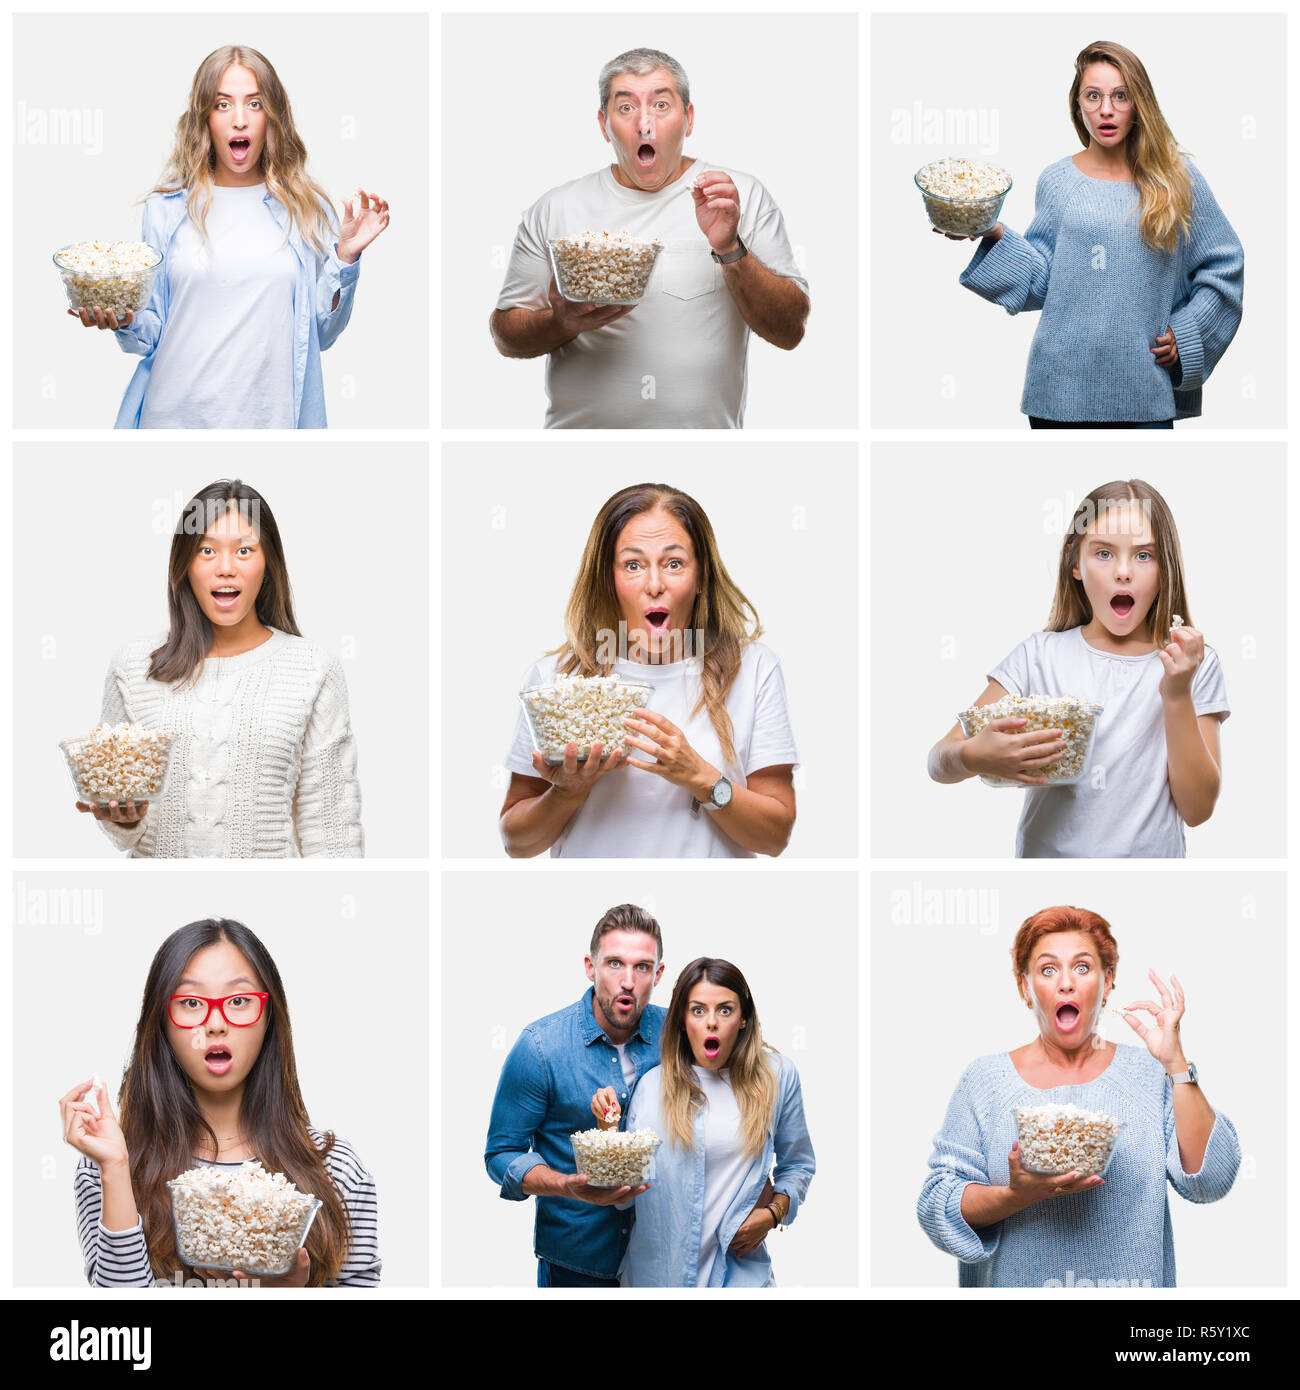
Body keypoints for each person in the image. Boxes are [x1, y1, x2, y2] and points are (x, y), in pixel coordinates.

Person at [67, 44, 390, 428]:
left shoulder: (304, 208)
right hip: (173, 420)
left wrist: (345, 256)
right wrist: (121, 318)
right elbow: (152, 331)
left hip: (270, 422)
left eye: (254, 104)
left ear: (273, 116)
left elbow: (319, 333)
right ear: (205, 118)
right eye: (223, 104)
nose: (239, 120)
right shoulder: (167, 208)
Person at [918, 906, 1239, 1287]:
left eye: (1083, 967)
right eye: (1047, 969)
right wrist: (1016, 1195)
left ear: (1108, 980)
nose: (1066, 983)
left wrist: (1175, 1063)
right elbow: (937, 1207)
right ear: (1025, 986)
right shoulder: (985, 1080)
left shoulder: (1153, 1074)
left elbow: (1210, 1182)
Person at [490, 46, 809, 428]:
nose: (644, 124)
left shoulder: (739, 196)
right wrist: (562, 322)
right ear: (603, 123)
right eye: (625, 108)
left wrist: (729, 248)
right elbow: (506, 336)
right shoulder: (555, 208)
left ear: (688, 119)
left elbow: (790, 330)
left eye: (661, 105)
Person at [59, 917, 381, 1287]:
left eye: (240, 1000)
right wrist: (115, 1167)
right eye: (192, 1002)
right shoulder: (108, 1165)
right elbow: (124, 1340)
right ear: (161, 1020)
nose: (215, 1024)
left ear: (269, 1018)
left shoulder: (335, 1168)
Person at [942, 40, 1242, 426]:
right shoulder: (1057, 180)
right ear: (1077, 104)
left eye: (1121, 96)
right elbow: (1043, 282)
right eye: (1093, 96)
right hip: (1058, 390)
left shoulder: (1176, 178)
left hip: (1143, 389)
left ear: (1140, 103)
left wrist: (1189, 331)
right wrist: (993, 230)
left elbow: (1225, 262)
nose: (1106, 109)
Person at [926, 478, 1227, 857]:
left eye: (1143, 555)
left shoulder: (1194, 662)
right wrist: (971, 756)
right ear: (1075, 563)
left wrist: (1178, 692)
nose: (1123, 572)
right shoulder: (1039, 655)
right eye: (1103, 553)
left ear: (1165, 569)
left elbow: (1198, 810)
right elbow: (939, 760)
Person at [500, 483, 799, 858]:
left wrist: (699, 776)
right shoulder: (557, 680)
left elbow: (775, 837)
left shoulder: (754, 669)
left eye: (674, 564)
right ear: (608, 578)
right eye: (633, 565)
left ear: (701, 576)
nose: (654, 585)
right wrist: (569, 791)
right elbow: (516, 843)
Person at [74, 478, 364, 858]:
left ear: (268, 563)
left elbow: (332, 832)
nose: (225, 568)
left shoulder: (312, 669)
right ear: (184, 564)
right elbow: (125, 830)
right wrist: (122, 818)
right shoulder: (132, 668)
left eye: (244, 550)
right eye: (207, 550)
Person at [591, 957, 814, 1287]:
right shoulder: (652, 1087)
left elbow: (798, 1165)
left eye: (725, 1010)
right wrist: (606, 1129)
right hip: (658, 1277)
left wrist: (772, 1215)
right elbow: (624, 1197)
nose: (712, 1022)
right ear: (682, 1019)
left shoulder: (776, 1077)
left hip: (740, 1275)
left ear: (743, 1018)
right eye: (698, 1010)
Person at [484, 904, 668, 1287]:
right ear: (590, 966)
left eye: (642, 967)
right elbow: (501, 1154)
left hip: (663, 1260)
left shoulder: (677, 1034)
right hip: (576, 1266)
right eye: (614, 964)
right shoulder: (540, 1047)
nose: (628, 981)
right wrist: (564, 1185)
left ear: (659, 974)